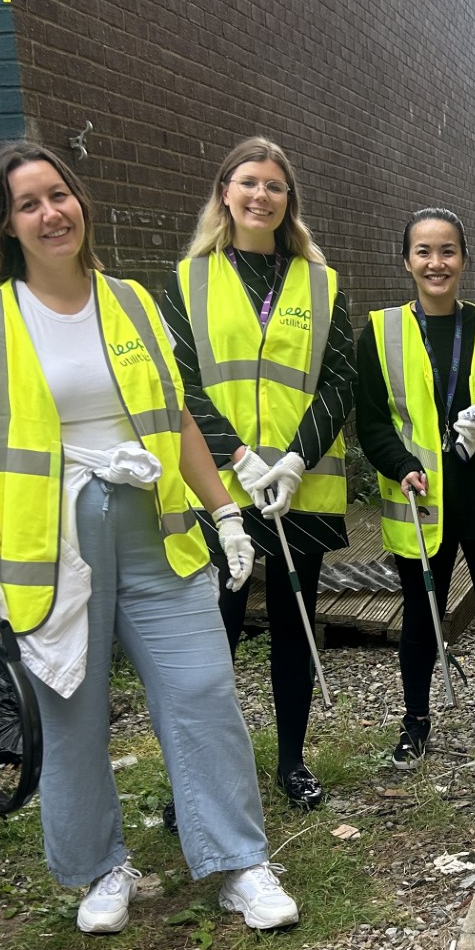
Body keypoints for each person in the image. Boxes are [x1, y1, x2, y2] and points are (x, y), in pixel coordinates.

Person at [0, 143, 299, 934]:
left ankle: (237, 860)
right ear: (6, 223)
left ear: (81, 202)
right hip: (50, 549)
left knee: (203, 691)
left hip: (155, 531)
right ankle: (102, 869)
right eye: (29, 203)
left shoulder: (133, 302)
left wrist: (228, 510)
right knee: (72, 712)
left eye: (59, 194)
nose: (50, 213)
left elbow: (172, 419)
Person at [165, 137, 354, 810]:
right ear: (225, 192)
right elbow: (179, 384)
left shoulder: (321, 282)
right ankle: (201, 771)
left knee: (293, 626)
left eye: (275, 186)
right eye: (248, 182)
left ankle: (292, 761)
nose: (260, 196)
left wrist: (296, 458)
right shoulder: (187, 280)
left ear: (288, 201)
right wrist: (242, 459)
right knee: (208, 634)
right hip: (219, 487)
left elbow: (340, 378)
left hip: (299, 488)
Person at [356, 208, 475, 766]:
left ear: (463, 259)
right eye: (424, 252)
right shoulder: (381, 330)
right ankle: (415, 721)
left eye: (447, 251)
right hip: (419, 498)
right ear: (407, 261)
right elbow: (371, 420)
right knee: (422, 616)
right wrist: (398, 464)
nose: (436, 263)